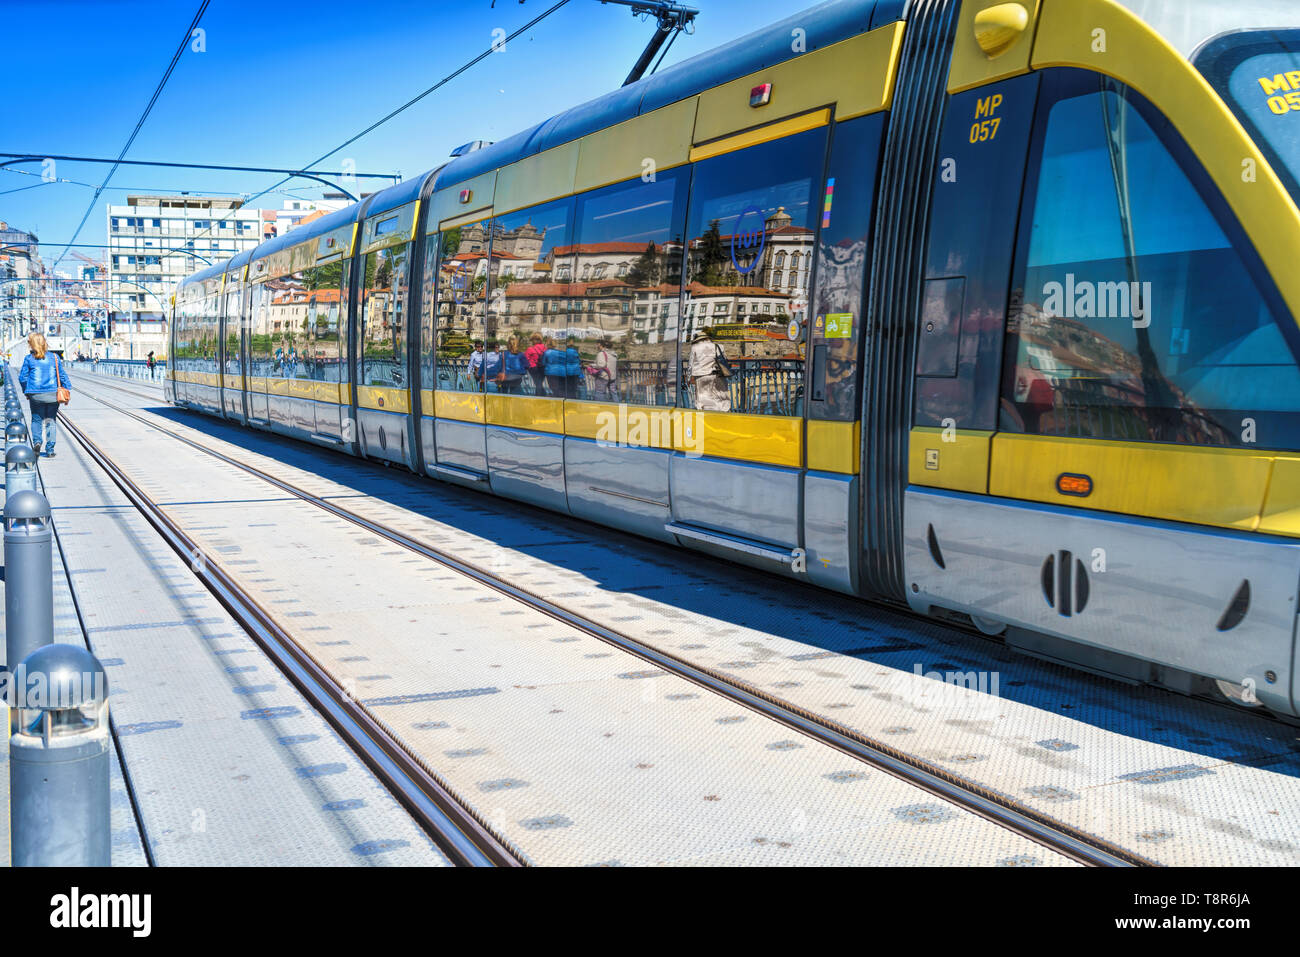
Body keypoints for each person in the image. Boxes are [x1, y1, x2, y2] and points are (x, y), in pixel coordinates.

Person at [18, 333, 70, 458]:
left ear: (32, 344)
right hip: (53, 395)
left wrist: (27, 391)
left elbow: (22, 378)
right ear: (45, 343)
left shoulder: (29, 359)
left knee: (36, 419)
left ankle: (37, 442)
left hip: (35, 395)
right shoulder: (55, 357)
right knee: (50, 420)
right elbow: (62, 376)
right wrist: (67, 389)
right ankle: (50, 450)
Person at [688, 329, 732, 411]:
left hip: (701, 375)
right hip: (717, 374)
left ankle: (704, 412)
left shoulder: (694, 347)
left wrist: (688, 378)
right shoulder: (718, 346)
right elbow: (724, 360)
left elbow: (690, 364)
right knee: (720, 394)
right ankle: (723, 412)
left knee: (702, 395)